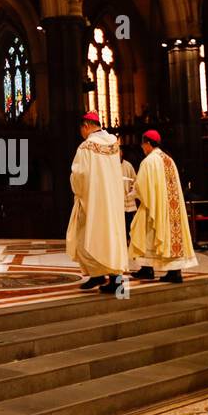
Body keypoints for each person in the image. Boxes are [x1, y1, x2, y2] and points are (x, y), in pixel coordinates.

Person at [66, 111, 127, 293]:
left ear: (86, 126)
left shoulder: (86, 147)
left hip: (93, 202)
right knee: (112, 237)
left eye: (81, 130)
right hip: (112, 201)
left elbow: (79, 175)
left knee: (86, 236)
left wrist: (78, 192)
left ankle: (98, 275)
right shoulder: (114, 144)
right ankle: (111, 279)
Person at [129, 130, 197, 283]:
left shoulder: (149, 161)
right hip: (172, 208)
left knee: (145, 232)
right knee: (169, 236)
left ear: (147, 143)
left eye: (142, 144)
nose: (142, 148)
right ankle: (172, 271)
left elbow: (142, 186)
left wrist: (132, 192)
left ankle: (149, 270)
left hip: (155, 206)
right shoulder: (168, 159)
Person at [121, 154, 138, 236]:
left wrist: (132, 189)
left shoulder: (128, 165)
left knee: (128, 222)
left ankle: (128, 239)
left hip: (128, 198)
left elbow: (135, 179)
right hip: (117, 200)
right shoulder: (111, 166)